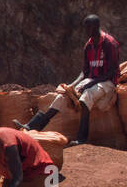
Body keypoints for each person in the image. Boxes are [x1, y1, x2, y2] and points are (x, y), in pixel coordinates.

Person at [19, 14, 120, 145]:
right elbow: (85, 72)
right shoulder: (88, 46)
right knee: (63, 96)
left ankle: (81, 138)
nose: (87, 31)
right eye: (86, 28)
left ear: (96, 27)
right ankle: (34, 125)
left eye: (90, 28)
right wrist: (72, 85)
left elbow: (113, 70)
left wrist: (91, 84)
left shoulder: (109, 43)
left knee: (85, 98)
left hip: (107, 82)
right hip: (92, 80)